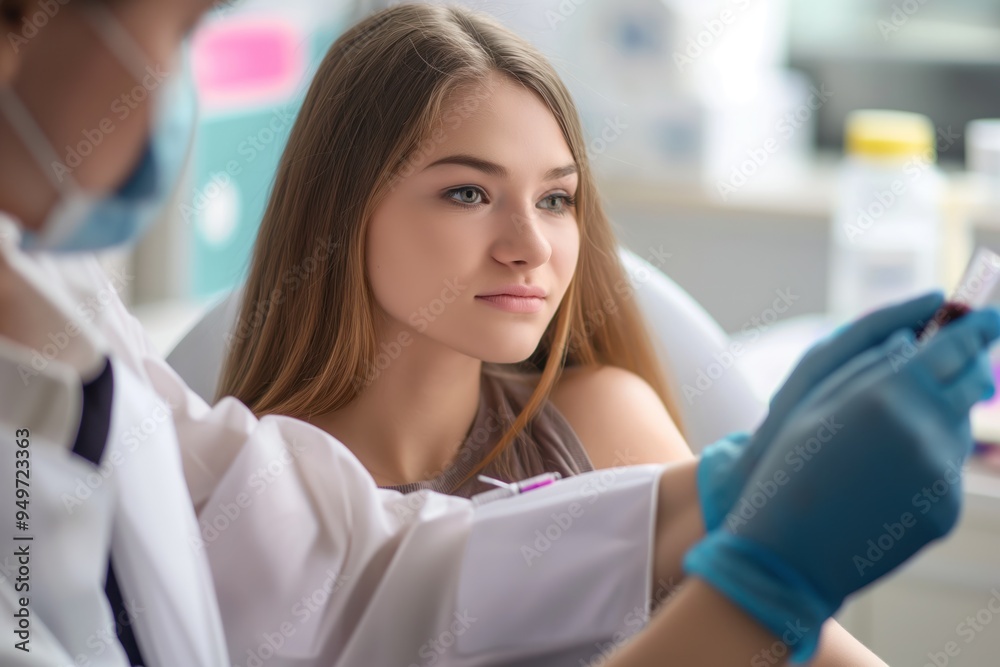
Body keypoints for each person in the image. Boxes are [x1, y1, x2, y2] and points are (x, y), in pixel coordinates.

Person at [0, 1, 996, 666]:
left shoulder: (82, 344)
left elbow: (363, 574)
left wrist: (733, 489)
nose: (527, 246)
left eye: (556, 199)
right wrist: (756, 578)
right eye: (469, 192)